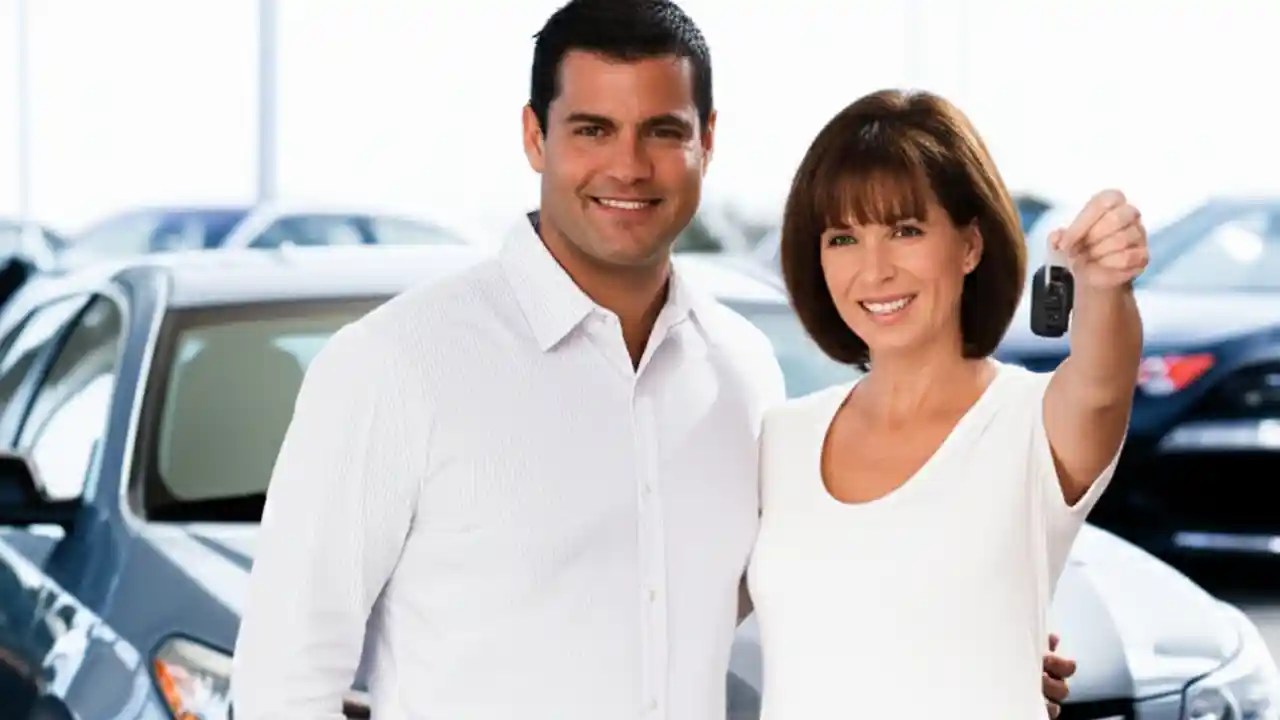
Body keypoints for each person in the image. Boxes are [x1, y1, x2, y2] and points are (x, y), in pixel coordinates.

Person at [231, 1, 1079, 718]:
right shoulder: (395, 366)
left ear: (707, 140)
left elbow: (803, 594)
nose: (628, 167)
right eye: (593, 129)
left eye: (662, 131)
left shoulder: (744, 374)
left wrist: (974, 642)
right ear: (535, 137)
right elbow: (282, 679)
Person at [747, 88, 1146, 717]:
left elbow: (1102, 381)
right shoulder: (781, 438)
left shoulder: (1032, 423)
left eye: (905, 230)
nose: (873, 270)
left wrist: (1104, 284)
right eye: (842, 238)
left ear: (970, 245)